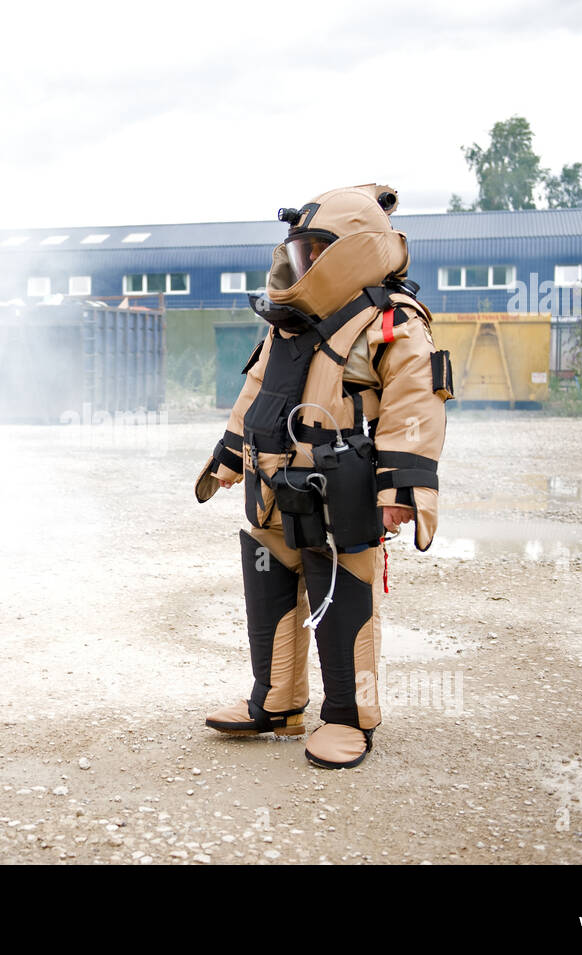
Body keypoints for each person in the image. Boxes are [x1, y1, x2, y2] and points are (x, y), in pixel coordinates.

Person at [194, 183, 453, 769]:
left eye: (314, 249)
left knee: (343, 602)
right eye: (298, 249)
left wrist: (403, 489)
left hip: (342, 493)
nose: (301, 261)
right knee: (269, 594)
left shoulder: (392, 321)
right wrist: (230, 454)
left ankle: (348, 718)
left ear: (349, 251)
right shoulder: (286, 323)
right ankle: (276, 703)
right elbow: (256, 390)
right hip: (273, 489)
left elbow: (418, 402)